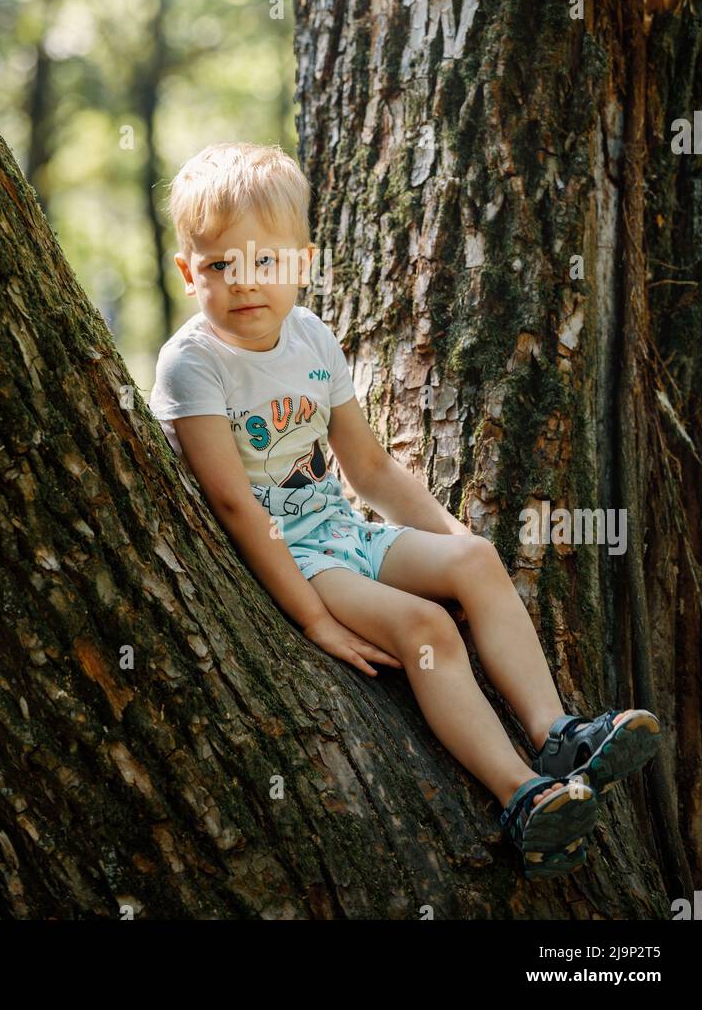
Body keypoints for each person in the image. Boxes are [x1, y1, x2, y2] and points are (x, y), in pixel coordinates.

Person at [148, 141, 661, 880]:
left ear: (302, 262)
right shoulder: (194, 363)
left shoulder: (312, 338)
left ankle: (559, 734)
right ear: (188, 271)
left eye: (266, 262)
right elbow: (233, 504)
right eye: (221, 264)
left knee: (477, 561)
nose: (245, 282)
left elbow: (370, 466)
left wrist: (453, 542)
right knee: (424, 626)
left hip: (344, 532)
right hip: (295, 559)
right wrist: (314, 618)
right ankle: (523, 797)